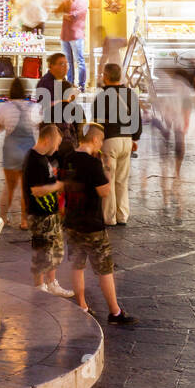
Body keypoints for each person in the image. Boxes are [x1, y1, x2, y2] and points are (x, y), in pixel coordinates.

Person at [62, 124, 136, 325]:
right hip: (92, 224)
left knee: (77, 266)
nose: (101, 145)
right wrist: (108, 171)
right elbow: (104, 191)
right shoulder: (93, 164)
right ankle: (115, 312)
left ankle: (82, 306)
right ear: (95, 140)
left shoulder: (68, 158)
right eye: (101, 141)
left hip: (72, 221)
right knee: (105, 269)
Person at [20, 123, 73, 297]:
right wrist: (58, 185)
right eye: (56, 143)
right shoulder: (34, 159)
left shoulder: (43, 158)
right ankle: (39, 286)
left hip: (51, 213)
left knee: (55, 250)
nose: (57, 147)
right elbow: (36, 190)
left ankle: (52, 283)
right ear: (48, 139)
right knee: (41, 251)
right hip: (39, 214)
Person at [93, 62, 141, 225]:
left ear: (106, 77)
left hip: (109, 141)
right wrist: (134, 138)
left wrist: (95, 144)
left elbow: (97, 124)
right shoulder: (130, 94)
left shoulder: (101, 97)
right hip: (126, 140)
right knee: (122, 180)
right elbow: (137, 120)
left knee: (108, 179)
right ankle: (123, 215)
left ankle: (109, 217)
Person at [0, 77, 39, 227]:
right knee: (25, 188)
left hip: (11, 150)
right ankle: (24, 220)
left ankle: (3, 218)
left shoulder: (5, 107)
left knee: (9, 186)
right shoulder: (33, 107)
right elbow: (38, 127)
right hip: (28, 151)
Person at [55, 0, 88, 90]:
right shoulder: (66, 0)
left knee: (80, 60)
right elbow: (56, 12)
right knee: (68, 61)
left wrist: (65, 11)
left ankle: (81, 85)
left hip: (76, 35)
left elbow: (73, 16)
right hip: (65, 35)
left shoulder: (81, 1)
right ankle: (70, 82)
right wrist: (64, 3)